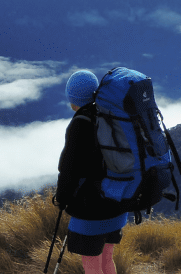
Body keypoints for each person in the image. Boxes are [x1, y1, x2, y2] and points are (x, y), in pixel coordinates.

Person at [53, 69, 128, 274]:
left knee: (91, 263)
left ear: (73, 99)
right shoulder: (112, 114)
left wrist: (62, 198)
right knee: (107, 258)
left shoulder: (80, 123)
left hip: (91, 208)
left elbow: (69, 169)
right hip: (119, 201)